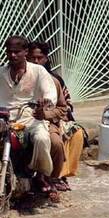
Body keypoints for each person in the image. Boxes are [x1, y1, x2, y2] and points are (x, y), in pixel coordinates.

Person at [1, 36, 64, 199]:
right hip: (4, 119)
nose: (12, 55)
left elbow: (51, 95)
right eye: (9, 52)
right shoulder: (1, 73)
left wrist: (46, 102)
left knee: (42, 139)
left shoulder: (39, 72)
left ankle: (41, 175)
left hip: (31, 117)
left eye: (16, 52)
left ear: (25, 52)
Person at [28, 42, 83, 187]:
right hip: (19, 120)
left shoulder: (54, 80)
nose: (36, 62)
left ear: (46, 59)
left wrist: (47, 115)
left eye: (39, 58)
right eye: (32, 58)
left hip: (49, 121)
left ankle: (53, 177)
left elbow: (64, 107)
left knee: (61, 141)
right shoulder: (13, 76)